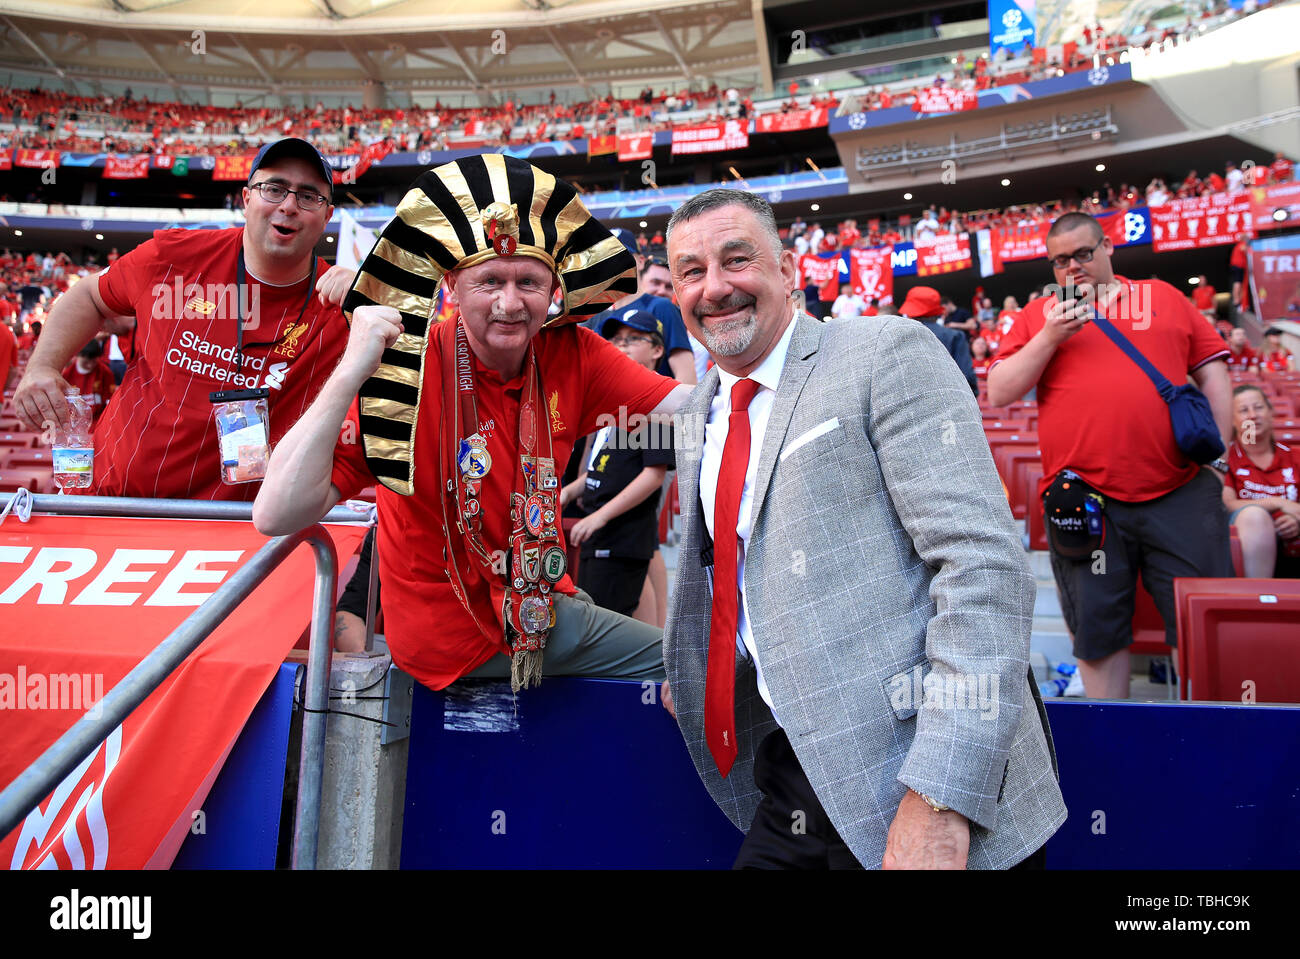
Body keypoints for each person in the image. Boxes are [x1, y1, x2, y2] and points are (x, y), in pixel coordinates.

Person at [659, 188, 1064, 870]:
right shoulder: (700, 410)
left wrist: (941, 796)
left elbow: (983, 568)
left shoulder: (885, 351)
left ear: (788, 270)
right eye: (692, 271)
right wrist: (702, 668)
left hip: (924, 772)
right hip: (793, 774)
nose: (716, 286)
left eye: (737, 259)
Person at [253, 154, 693, 694]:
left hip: (538, 603)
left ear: (554, 290)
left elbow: (691, 409)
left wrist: (771, 364)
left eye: (529, 282)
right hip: (455, 637)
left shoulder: (569, 351)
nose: (511, 304)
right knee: (697, 665)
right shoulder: (403, 368)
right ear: (452, 288)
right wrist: (351, 368)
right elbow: (276, 513)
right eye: (489, 282)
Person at [12, 137, 356, 501]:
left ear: (326, 216)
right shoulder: (172, 257)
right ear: (246, 199)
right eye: (273, 189)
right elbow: (89, 295)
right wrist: (42, 366)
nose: (288, 205)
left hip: (239, 528)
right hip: (112, 500)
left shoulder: (343, 306)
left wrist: (373, 297)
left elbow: (412, 354)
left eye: (308, 196)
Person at [988, 212, 1234, 699]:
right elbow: (1000, 391)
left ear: (1107, 248)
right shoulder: (1040, 314)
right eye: (1061, 260)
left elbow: (1214, 374)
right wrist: (1050, 336)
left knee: (1198, 626)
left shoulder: (1162, 297)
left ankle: (1206, 749)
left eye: (1083, 253)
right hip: (1086, 498)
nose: (1073, 267)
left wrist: (1218, 462)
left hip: (1180, 489)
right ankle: (1116, 749)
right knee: (1098, 633)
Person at [560, 310, 676, 618]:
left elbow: (653, 475)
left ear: (657, 350)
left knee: (606, 622)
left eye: (634, 339)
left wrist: (598, 517)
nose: (622, 346)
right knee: (636, 619)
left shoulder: (659, 400)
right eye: (617, 339)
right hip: (603, 531)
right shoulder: (616, 398)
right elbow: (604, 466)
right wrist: (570, 490)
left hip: (618, 536)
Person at [589, 232, 697, 385]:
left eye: (621, 255)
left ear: (640, 261)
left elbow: (686, 375)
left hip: (657, 406)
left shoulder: (661, 306)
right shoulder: (600, 318)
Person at [1222, 385, 1300, 578]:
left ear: (1271, 411)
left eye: (1258, 407)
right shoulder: (1226, 459)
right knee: (1254, 517)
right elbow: (1228, 505)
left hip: (1294, 546)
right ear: (1232, 420)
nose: (1252, 415)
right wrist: (1279, 503)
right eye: (1243, 410)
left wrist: (1297, 519)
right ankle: (1257, 600)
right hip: (1248, 542)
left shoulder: (1294, 456)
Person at [898, 285, 978, 395]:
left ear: (910, 313)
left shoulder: (899, 338)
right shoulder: (955, 337)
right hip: (952, 403)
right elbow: (968, 378)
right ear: (937, 312)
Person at [59, 338, 115, 423]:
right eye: (86, 362)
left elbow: (111, 400)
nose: (90, 365)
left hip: (99, 422)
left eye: (94, 361)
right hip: (75, 423)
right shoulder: (67, 375)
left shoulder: (105, 372)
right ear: (77, 356)